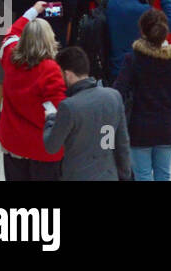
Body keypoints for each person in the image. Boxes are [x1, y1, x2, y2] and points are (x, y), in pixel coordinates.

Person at [0, 3, 67, 180]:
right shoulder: (51, 69)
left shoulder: (10, 56)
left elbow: (12, 32)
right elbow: (58, 111)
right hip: (42, 148)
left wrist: (34, 10)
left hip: (13, 142)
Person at [42, 46, 132, 181]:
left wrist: (50, 120)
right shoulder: (114, 96)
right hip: (108, 175)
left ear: (68, 74)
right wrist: (125, 175)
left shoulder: (69, 106)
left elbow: (51, 146)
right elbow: (122, 144)